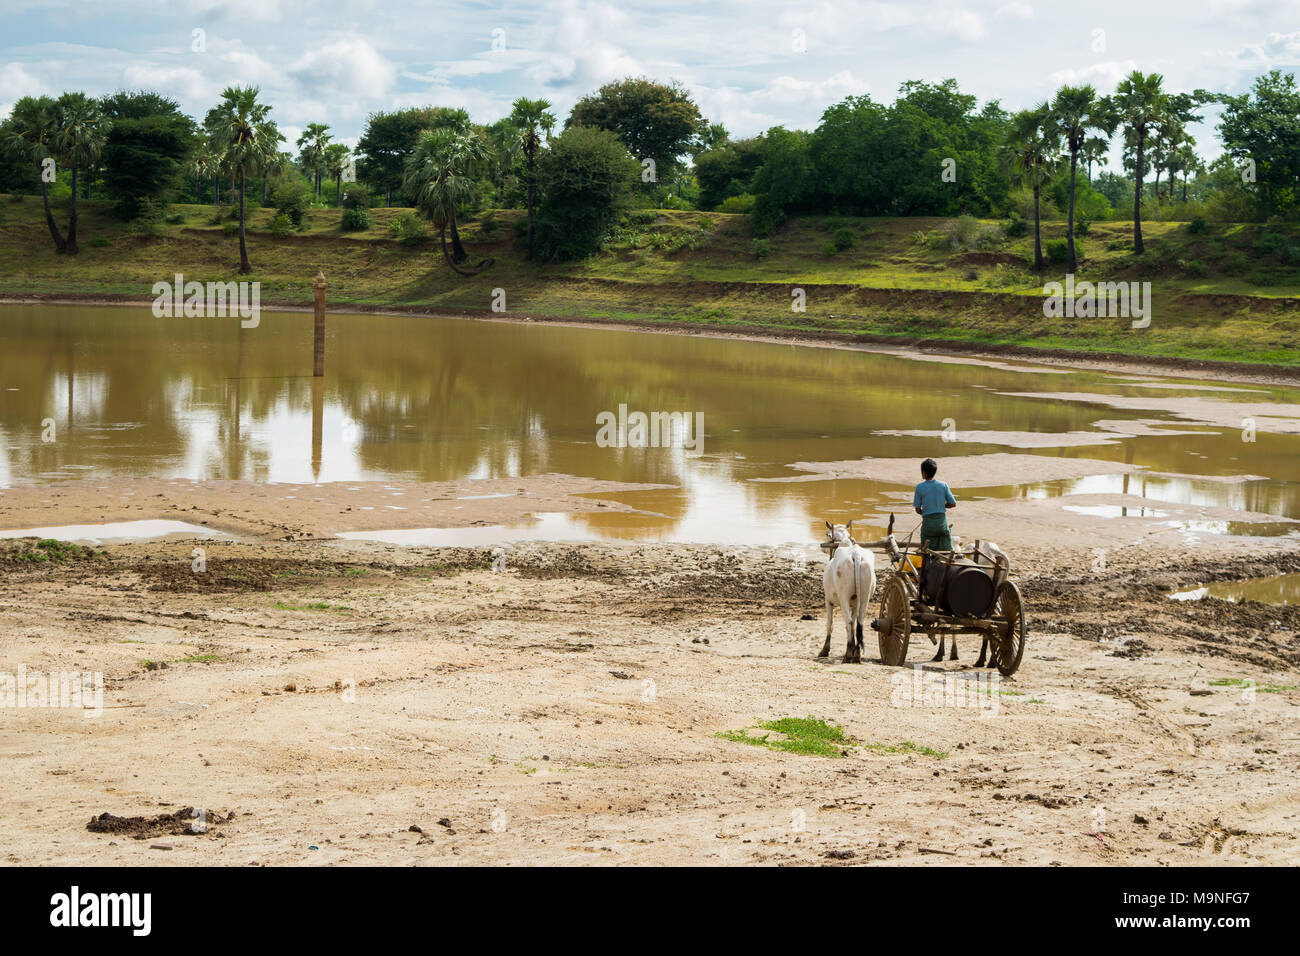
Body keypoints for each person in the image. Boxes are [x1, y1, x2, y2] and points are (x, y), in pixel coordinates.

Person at [913, 458, 956, 551]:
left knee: (925, 549)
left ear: (923, 472)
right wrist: (943, 505)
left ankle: (926, 560)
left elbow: (917, 510)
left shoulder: (919, 487)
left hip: (928, 527)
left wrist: (926, 512)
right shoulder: (943, 485)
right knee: (946, 549)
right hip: (942, 526)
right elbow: (953, 503)